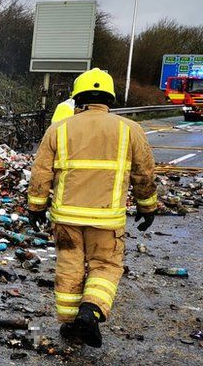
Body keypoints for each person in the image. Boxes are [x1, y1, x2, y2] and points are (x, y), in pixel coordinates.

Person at [27, 68, 157, 348]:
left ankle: (72, 325)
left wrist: (35, 207)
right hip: (106, 219)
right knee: (106, 266)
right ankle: (91, 311)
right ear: (110, 98)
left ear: (77, 98)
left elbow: (40, 173)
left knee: (69, 266)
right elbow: (144, 174)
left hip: (66, 217)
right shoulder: (129, 129)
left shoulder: (58, 129)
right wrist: (148, 207)